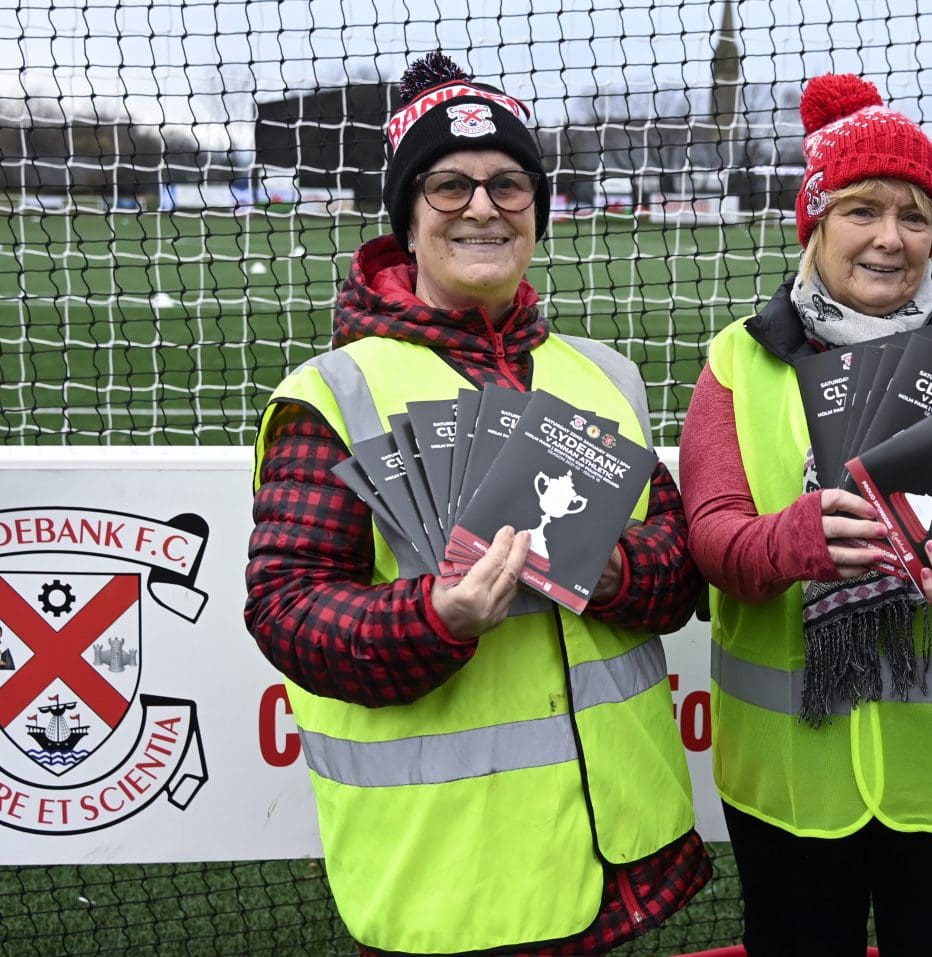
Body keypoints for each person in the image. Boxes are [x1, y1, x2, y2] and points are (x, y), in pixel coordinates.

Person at [244, 52, 709, 957]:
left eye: (507, 184)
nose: (484, 207)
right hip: (449, 869)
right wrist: (436, 616)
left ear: (536, 209)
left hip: (610, 844)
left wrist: (613, 569)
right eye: (449, 187)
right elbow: (287, 610)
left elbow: (682, 564)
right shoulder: (334, 393)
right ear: (407, 221)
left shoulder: (600, 375)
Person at [678, 72, 932, 957]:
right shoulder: (738, 359)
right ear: (813, 222)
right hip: (791, 783)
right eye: (861, 210)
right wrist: (795, 540)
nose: (891, 238)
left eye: (914, 216)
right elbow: (714, 534)